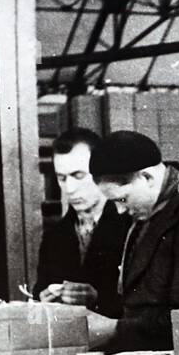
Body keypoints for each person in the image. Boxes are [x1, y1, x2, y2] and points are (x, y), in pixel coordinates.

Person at [88, 130, 179, 352]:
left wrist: (114, 329)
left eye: (122, 199)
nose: (119, 211)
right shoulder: (146, 216)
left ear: (147, 178)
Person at [34, 128, 127, 316]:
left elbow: (149, 304)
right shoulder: (55, 236)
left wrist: (99, 300)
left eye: (78, 176)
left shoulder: (132, 225)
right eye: (62, 178)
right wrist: (43, 300)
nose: (69, 189)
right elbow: (41, 290)